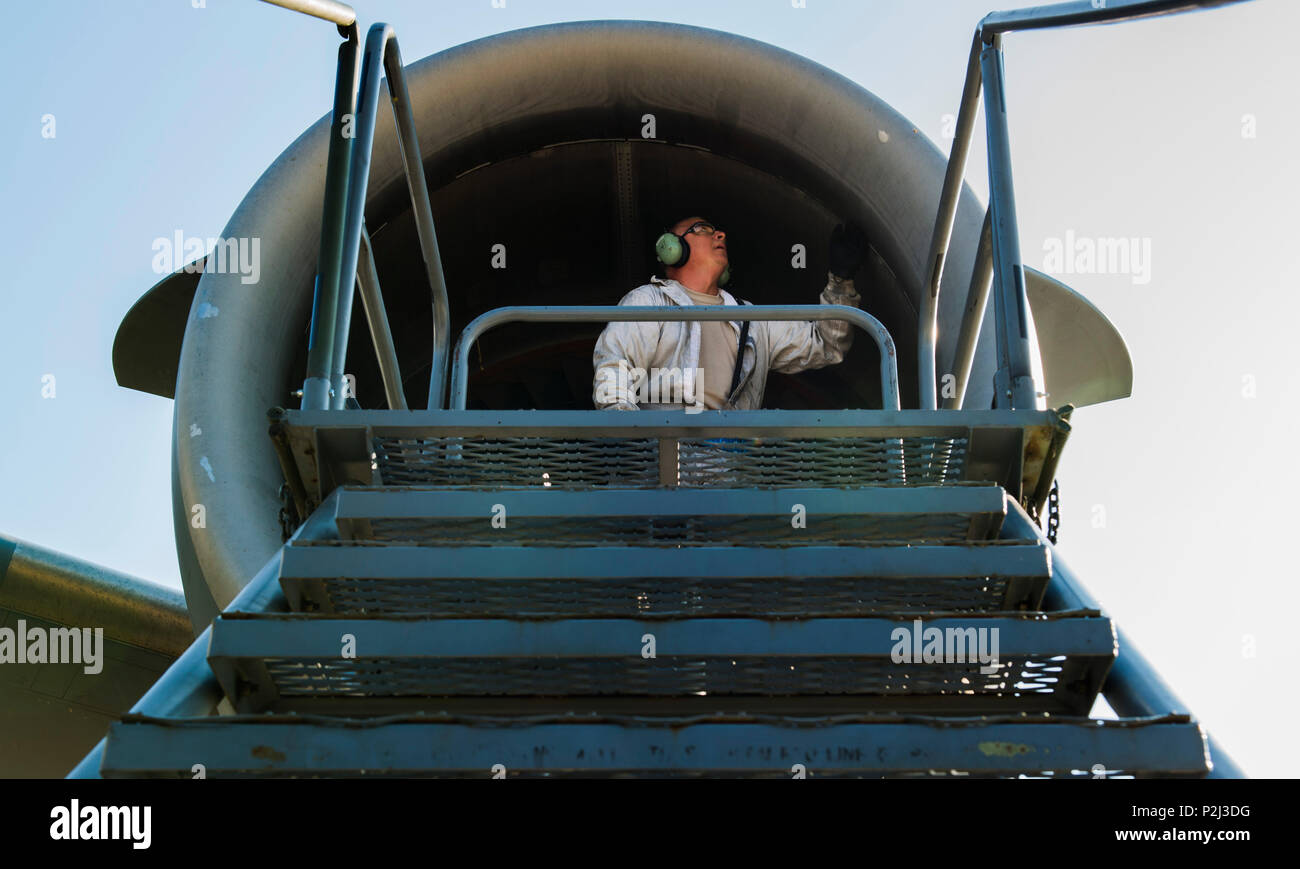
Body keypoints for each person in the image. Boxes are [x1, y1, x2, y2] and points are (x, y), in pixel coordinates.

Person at [592, 215, 868, 411]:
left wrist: (840, 282)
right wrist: (633, 439)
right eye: (702, 229)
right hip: (663, 473)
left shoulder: (753, 320)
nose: (719, 235)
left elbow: (827, 344)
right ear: (671, 248)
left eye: (718, 231)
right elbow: (614, 367)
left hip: (732, 479)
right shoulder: (650, 302)